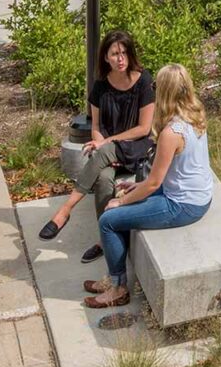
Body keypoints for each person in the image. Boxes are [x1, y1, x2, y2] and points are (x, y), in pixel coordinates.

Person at [83, 64, 212, 311]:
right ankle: (113, 278)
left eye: (155, 87)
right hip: (198, 194)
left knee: (109, 220)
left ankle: (118, 288)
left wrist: (120, 201)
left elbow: (155, 183)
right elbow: (161, 176)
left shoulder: (172, 132)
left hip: (183, 205)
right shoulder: (195, 114)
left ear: (163, 92)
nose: (152, 90)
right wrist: (136, 187)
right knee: (125, 196)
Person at [37, 30, 155, 261]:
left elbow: (144, 128)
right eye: (114, 54)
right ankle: (105, 237)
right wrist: (100, 140)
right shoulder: (101, 86)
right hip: (109, 152)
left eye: (124, 53)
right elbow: (96, 125)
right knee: (102, 180)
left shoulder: (144, 81)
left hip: (137, 147)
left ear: (130, 55)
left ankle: (65, 210)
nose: (120, 59)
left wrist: (105, 142)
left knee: (103, 151)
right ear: (105, 58)